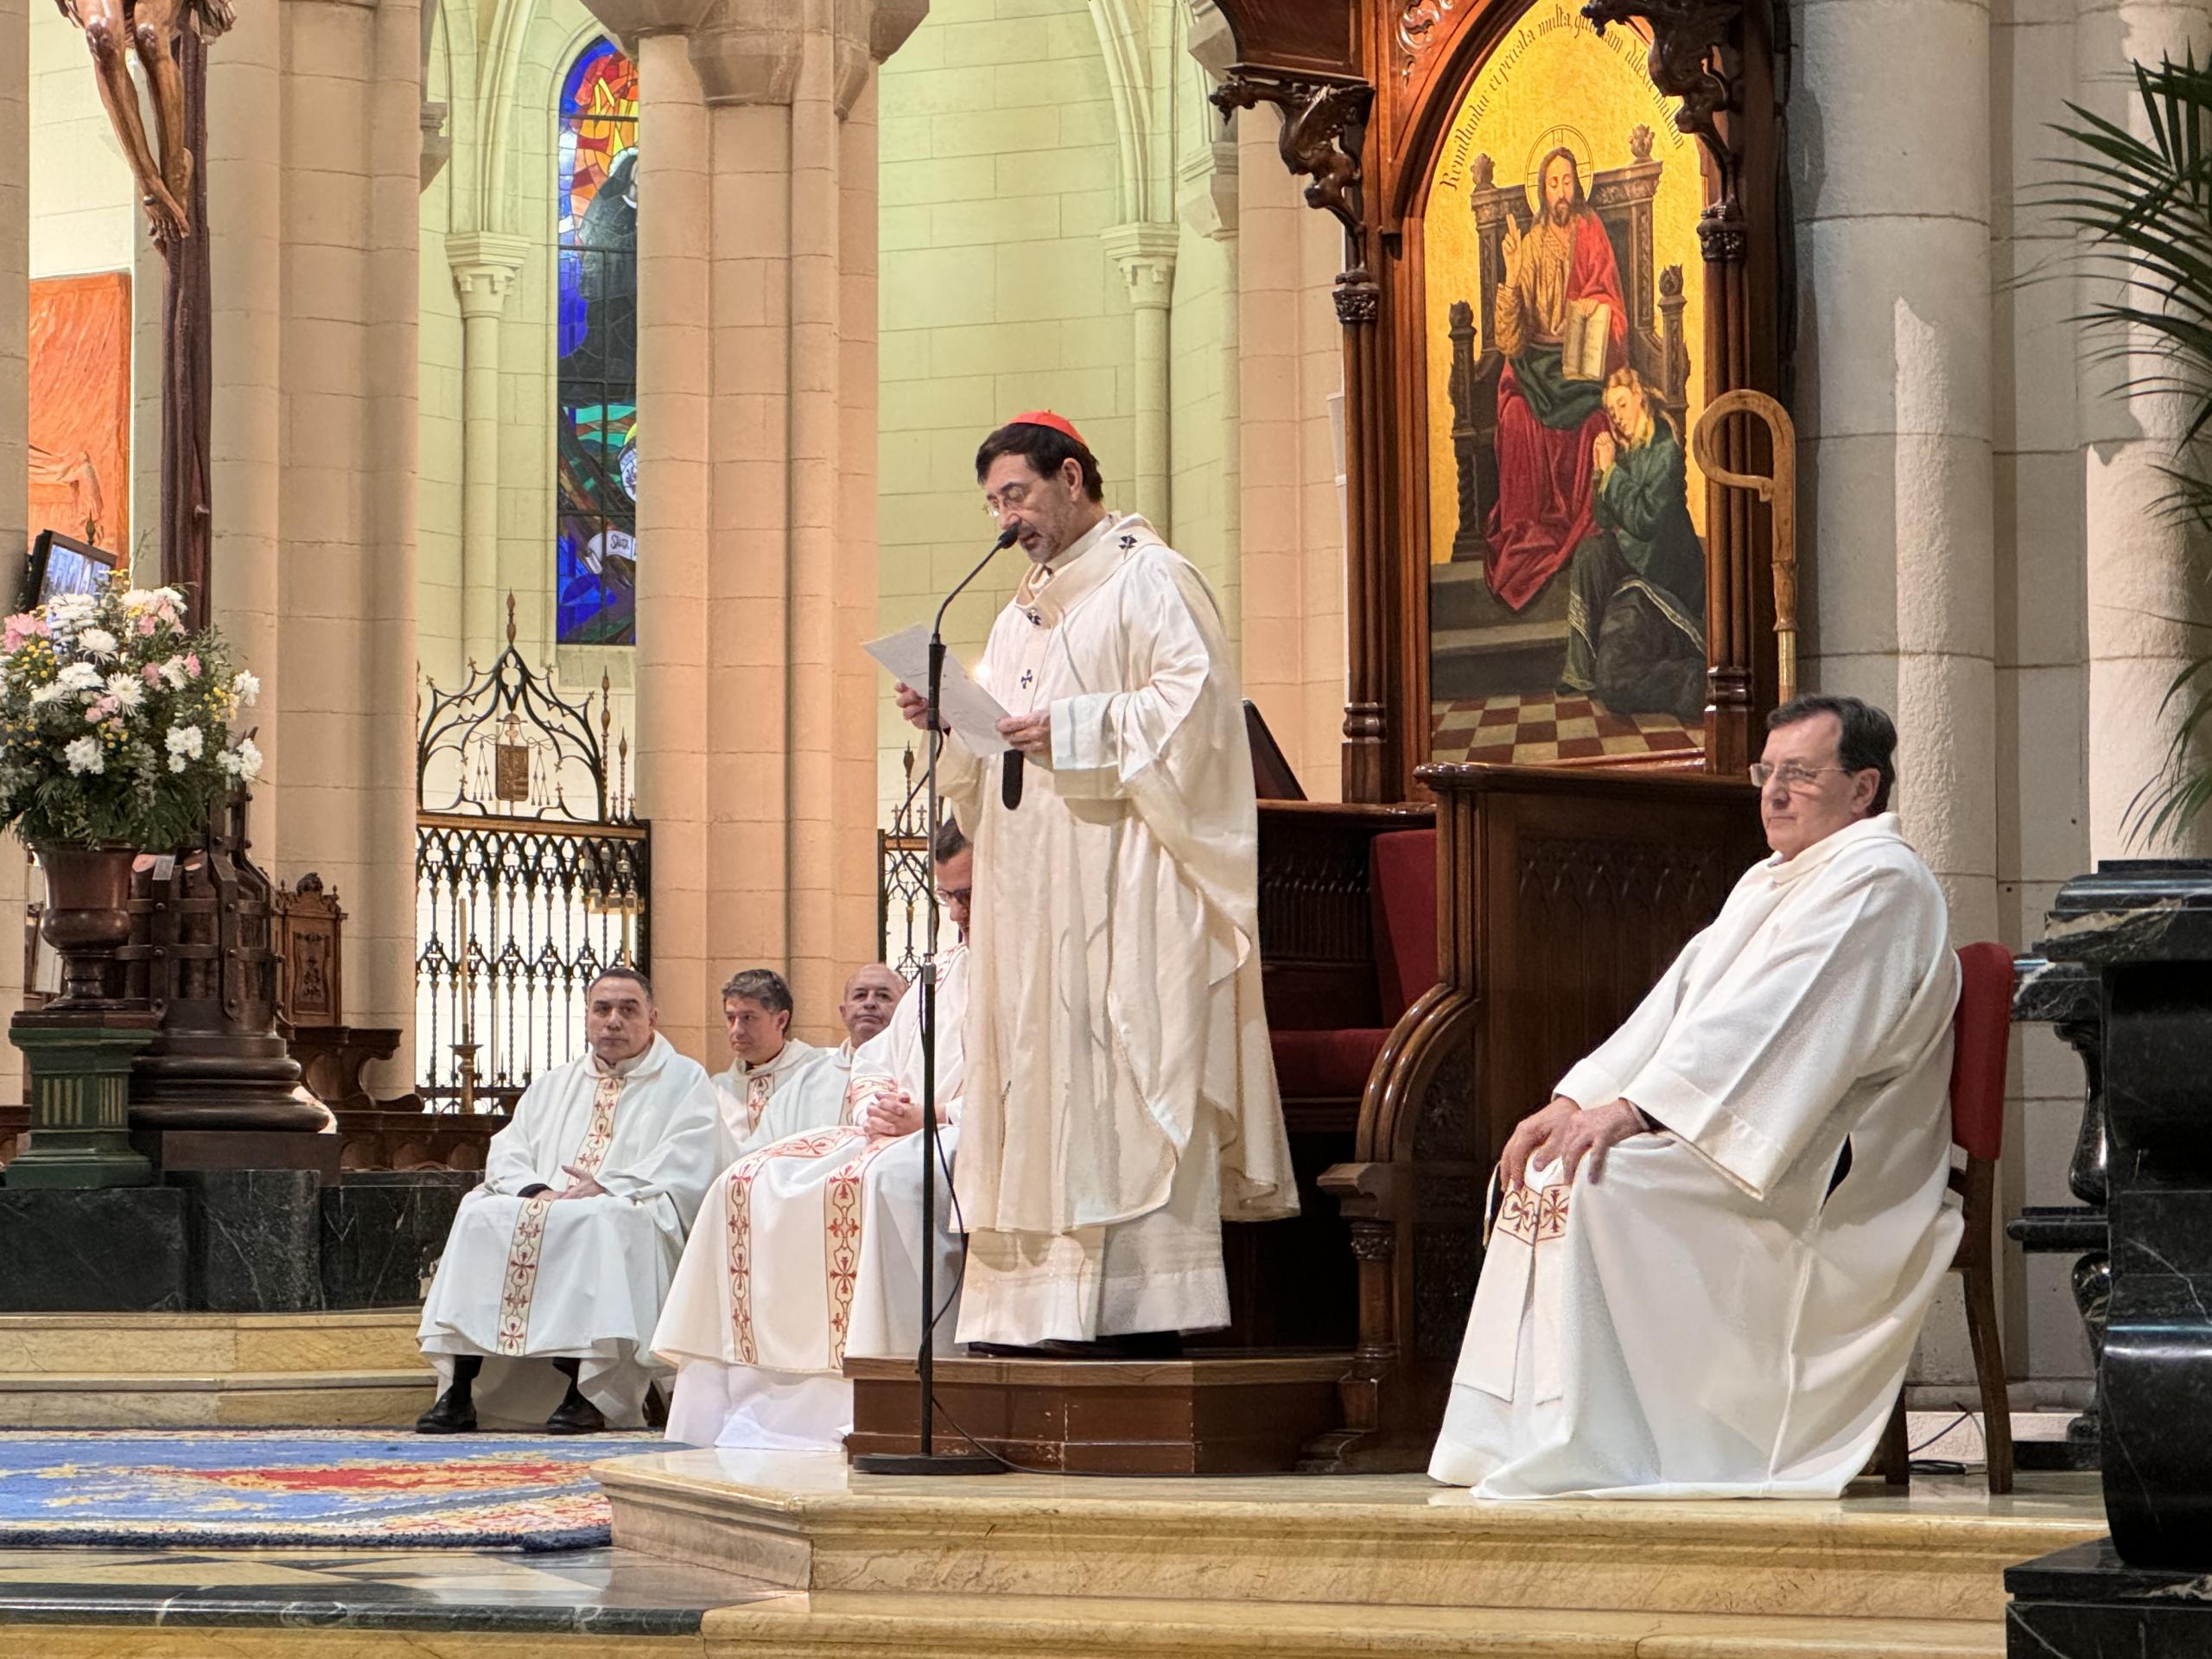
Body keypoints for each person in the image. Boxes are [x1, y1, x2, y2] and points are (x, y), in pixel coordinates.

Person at [1429, 696, 1962, 1498]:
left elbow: (1778, 1026)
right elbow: (1679, 1006)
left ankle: (1634, 1443)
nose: (1774, 793)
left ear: (1863, 788)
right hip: (1742, 1128)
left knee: (1601, 1179)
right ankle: (1521, 1439)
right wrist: (1578, 1099)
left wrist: (1638, 1111)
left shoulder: (1880, 881)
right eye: (1766, 773)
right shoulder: (1770, 880)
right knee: (1552, 1164)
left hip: (1826, 1165)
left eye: (1799, 774)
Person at [894, 410, 1296, 1352]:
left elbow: (1197, 714)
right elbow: (995, 748)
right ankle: (1032, 1317)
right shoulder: (1018, 615)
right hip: (1031, 888)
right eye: (994, 504)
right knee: (1038, 1076)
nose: (1007, 519)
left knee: (1120, 1073)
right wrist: (949, 720)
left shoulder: (1150, 578)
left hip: (1124, 878)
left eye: (1017, 495)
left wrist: (1073, 729)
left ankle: (1136, 1319)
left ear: (1071, 478)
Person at [653, 822, 975, 1449]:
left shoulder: (1029, 971)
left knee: (889, 1181)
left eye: (967, 896)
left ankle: (879, 1401)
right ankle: (735, 1409)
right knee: (745, 1179)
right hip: (897, 1129)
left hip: (965, 1133)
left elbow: (1034, 1087)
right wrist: (877, 1105)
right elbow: (877, 1060)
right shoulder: (942, 973)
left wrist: (935, 1115)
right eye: (947, 898)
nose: (957, 913)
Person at [415, 968, 723, 1433]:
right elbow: (509, 1149)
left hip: (632, 1204)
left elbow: (690, 1156)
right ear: (587, 1017)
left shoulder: (684, 1080)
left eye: (628, 1009)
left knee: (600, 1222)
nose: (613, 1020)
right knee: (478, 1213)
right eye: (602, 1009)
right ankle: (459, 1390)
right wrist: (536, 1190)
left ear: (653, 1018)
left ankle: (587, 1393)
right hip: (549, 1200)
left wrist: (608, 1184)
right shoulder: (556, 1083)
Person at [1487, 148, 1629, 611]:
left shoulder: (1591, 232)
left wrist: (1592, 314)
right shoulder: (1529, 245)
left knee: (1595, 423)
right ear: (1542, 190)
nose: (1561, 191)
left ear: (1577, 185)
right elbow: (1510, 341)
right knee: (1515, 417)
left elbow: (1610, 299)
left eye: (1567, 181)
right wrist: (1511, 277)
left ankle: (1587, 529)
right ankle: (1529, 530)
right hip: (1534, 366)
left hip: (1579, 366)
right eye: (1553, 183)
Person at [1559, 368, 1707, 720]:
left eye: (1622, 405)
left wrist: (1612, 472)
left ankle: (1692, 680)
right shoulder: (1629, 452)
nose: (1617, 417)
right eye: (1611, 411)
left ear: (1641, 397)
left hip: (1663, 587)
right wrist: (1601, 470)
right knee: (1590, 551)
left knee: (1614, 682)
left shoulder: (1665, 451)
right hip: (1634, 576)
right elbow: (1604, 519)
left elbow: (1644, 520)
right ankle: (1580, 669)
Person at [714, 968, 845, 1157]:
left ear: (781, 1020)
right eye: (730, 1018)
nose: (737, 1030)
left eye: (748, 1018)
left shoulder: (819, 1071)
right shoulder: (718, 1090)